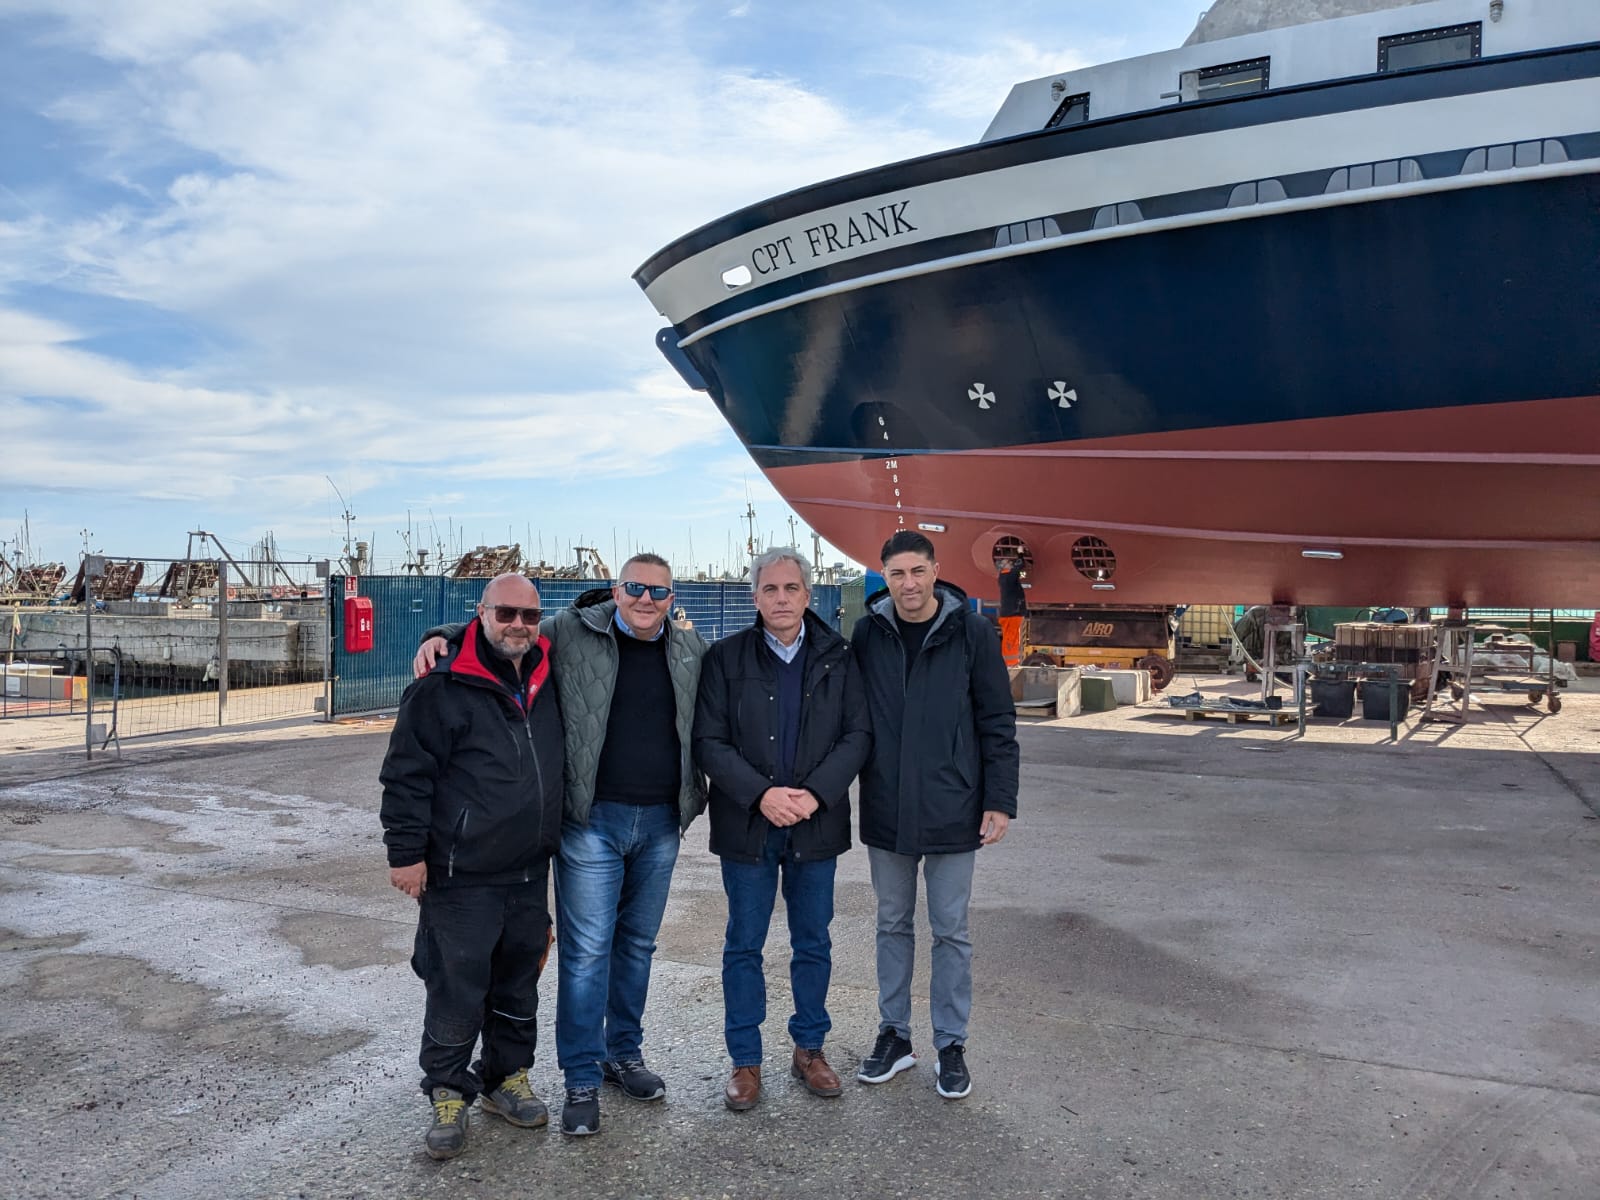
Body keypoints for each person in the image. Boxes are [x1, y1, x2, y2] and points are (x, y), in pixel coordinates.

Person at [414, 554, 706, 1137]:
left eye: (659, 591)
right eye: (634, 588)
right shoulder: (570, 632)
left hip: (660, 824)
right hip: (591, 820)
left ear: (673, 598)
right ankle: (578, 1075)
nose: (645, 599)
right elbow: (503, 634)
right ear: (615, 591)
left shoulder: (691, 650)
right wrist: (439, 636)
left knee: (638, 947)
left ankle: (622, 1053)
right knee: (586, 951)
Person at [379, 573, 563, 1160]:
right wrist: (406, 855)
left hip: (530, 870)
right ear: (480, 613)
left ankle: (505, 1078)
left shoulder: (547, 674)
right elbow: (406, 775)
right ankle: (447, 1089)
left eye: (529, 616)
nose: (518, 626)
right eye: (505, 613)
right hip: (460, 873)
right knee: (455, 985)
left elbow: (600, 615)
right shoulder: (441, 685)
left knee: (518, 982)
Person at [693, 548, 871, 1111]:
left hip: (815, 825)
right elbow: (708, 741)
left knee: (812, 941)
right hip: (749, 823)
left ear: (807, 593)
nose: (781, 599)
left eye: (791, 589)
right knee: (743, 944)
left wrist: (814, 795)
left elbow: (857, 736)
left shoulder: (840, 657)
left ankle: (810, 1048)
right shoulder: (724, 658)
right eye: (770, 590)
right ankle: (745, 1060)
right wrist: (762, 795)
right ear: (755, 597)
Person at [850, 530, 1020, 1100]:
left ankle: (951, 1045)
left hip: (955, 805)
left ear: (935, 570)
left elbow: (997, 720)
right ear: (885, 577)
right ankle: (894, 1036)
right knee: (891, 924)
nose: (908, 584)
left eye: (917, 571)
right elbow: (850, 717)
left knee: (951, 931)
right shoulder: (868, 632)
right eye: (896, 574)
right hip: (886, 804)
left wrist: (999, 799)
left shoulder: (971, 632)